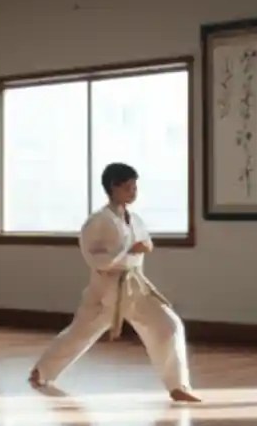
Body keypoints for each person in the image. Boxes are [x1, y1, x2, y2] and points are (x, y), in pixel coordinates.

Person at [28, 162, 201, 403]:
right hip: (105, 290)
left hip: (135, 287)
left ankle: (178, 385)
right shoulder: (98, 221)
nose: (134, 192)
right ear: (113, 187)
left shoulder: (135, 218)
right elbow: (93, 256)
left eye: (135, 187)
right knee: (80, 334)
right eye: (129, 187)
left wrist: (143, 247)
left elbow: (145, 243)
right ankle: (42, 371)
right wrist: (129, 250)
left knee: (168, 324)